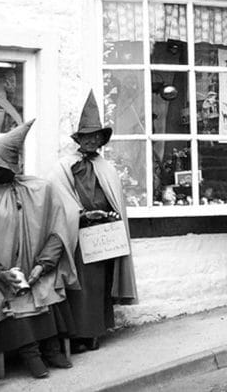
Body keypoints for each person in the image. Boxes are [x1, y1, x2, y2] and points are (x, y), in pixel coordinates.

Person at [0, 119, 79, 379]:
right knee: (11, 299)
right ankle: (30, 353)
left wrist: (42, 265)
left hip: (38, 268)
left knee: (44, 290)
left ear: (5, 166)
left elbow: (58, 232)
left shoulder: (39, 188)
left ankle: (50, 347)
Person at [55, 90, 138, 352]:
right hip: (80, 233)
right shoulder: (65, 166)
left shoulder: (107, 167)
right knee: (82, 285)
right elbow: (60, 199)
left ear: (101, 139)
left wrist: (112, 215)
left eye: (95, 136)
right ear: (79, 139)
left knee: (101, 284)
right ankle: (80, 333)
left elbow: (114, 200)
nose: (91, 141)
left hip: (104, 234)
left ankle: (96, 332)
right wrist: (81, 215)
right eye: (86, 136)